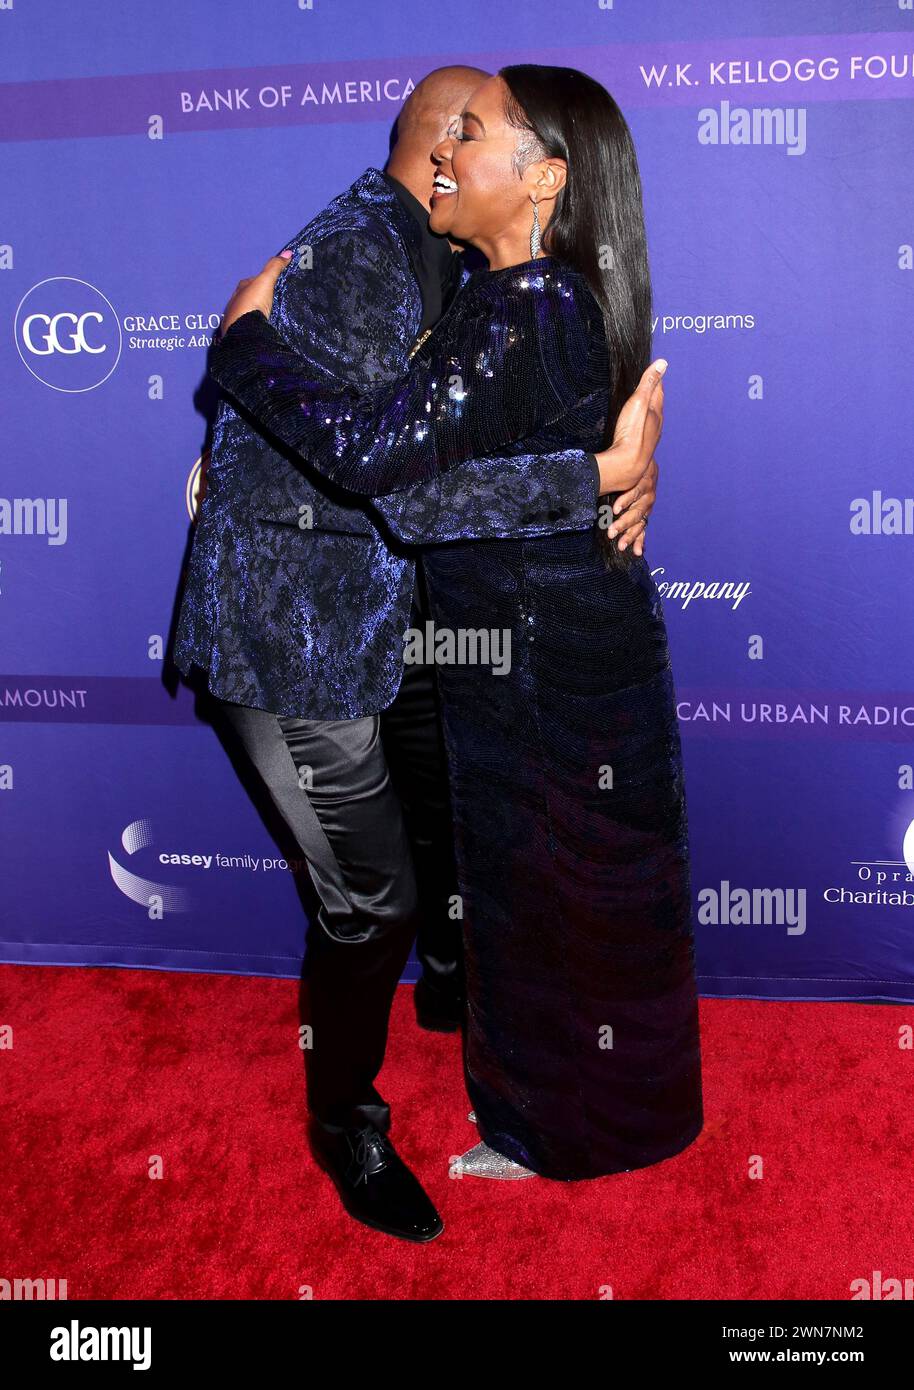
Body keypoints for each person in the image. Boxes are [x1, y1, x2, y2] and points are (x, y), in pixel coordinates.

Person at [174, 65, 663, 1238]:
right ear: (444, 141)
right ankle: (344, 1123)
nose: (474, 151)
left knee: (449, 820)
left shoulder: (455, 258)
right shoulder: (356, 251)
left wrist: (630, 458)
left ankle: (451, 998)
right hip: (291, 640)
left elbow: (482, 425)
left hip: (389, 621)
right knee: (369, 901)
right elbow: (397, 476)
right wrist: (592, 474)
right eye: (476, 125)